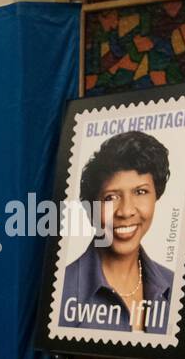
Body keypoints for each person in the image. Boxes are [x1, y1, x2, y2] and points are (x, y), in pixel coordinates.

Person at [59, 131, 175, 334]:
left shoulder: (174, 285)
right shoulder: (60, 292)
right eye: (111, 197)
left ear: (156, 195)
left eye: (140, 192)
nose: (126, 211)